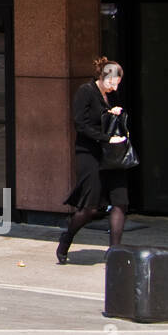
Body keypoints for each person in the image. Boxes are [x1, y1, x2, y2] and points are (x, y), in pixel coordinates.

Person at [57, 57, 131, 264]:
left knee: (120, 202)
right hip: (90, 153)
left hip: (112, 154)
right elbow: (80, 124)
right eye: (112, 83)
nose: (115, 88)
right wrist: (107, 137)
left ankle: (115, 252)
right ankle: (67, 238)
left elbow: (110, 120)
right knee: (91, 208)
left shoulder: (111, 97)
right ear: (103, 77)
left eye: (118, 84)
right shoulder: (86, 92)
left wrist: (115, 114)